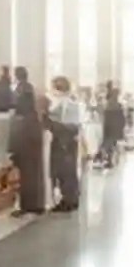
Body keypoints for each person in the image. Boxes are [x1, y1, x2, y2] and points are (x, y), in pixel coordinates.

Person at [46, 76, 82, 213]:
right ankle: (72, 198)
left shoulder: (62, 103)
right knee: (70, 171)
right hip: (70, 140)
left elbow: (58, 121)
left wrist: (48, 121)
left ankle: (67, 200)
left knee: (64, 171)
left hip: (63, 140)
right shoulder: (73, 102)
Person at [9, 89, 47, 215]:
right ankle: (36, 204)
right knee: (35, 177)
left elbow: (15, 136)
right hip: (34, 151)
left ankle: (26, 206)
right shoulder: (35, 116)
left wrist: (11, 152)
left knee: (25, 179)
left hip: (23, 152)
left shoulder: (19, 117)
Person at [99, 86, 125, 169]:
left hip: (109, 127)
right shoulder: (119, 105)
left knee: (108, 144)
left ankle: (108, 160)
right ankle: (111, 160)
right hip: (116, 127)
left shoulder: (108, 105)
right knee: (112, 144)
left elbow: (105, 117)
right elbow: (122, 118)